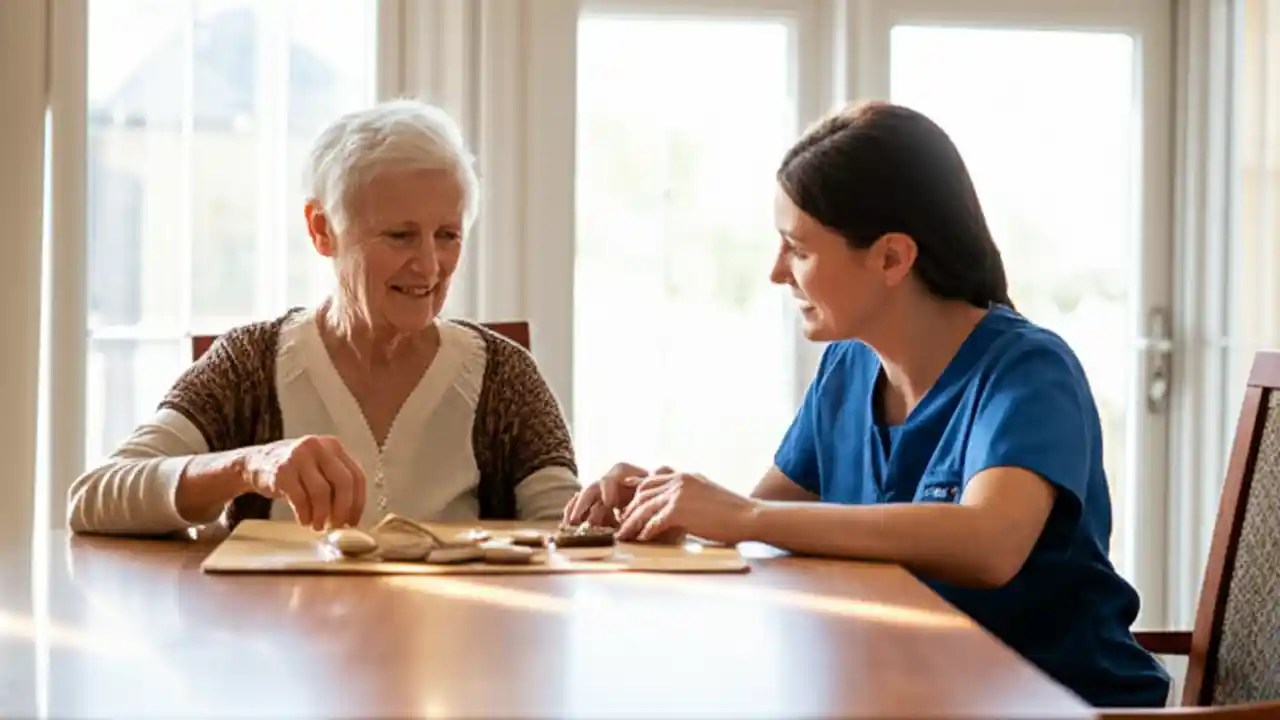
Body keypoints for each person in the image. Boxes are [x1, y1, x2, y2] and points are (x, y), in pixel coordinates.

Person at [564, 101, 1170, 708]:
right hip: (912, 694)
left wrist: (742, 518)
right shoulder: (847, 367)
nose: (778, 273)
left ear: (891, 258)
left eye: (797, 248)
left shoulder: (1029, 371)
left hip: (1057, 703)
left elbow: (989, 544)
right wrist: (663, 507)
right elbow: (758, 519)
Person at [69, 99, 579, 535]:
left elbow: (568, 533)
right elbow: (93, 497)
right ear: (322, 229)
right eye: (400, 235)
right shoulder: (250, 363)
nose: (429, 265)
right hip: (282, 646)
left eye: (447, 235)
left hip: (451, 646)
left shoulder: (504, 376)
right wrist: (250, 464)